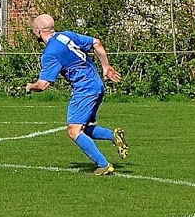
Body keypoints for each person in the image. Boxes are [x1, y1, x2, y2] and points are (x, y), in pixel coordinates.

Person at [22, 14, 126, 175]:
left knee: (74, 130)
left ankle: (104, 165)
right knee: (82, 127)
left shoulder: (51, 52)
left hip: (84, 89)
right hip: (97, 84)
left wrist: (30, 86)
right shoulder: (66, 35)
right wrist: (106, 67)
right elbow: (96, 42)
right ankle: (112, 136)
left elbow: (43, 85)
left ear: (37, 30)